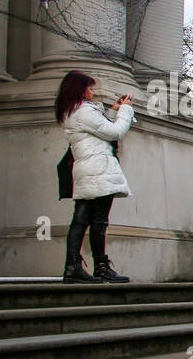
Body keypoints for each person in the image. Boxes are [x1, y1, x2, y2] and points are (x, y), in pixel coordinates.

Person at [56, 70, 135, 283]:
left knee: (81, 220)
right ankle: (101, 266)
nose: (93, 91)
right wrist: (126, 110)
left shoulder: (73, 111)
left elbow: (97, 130)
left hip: (87, 169)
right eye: (90, 87)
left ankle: (72, 266)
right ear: (80, 89)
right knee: (99, 221)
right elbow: (115, 132)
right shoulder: (83, 111)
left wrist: (113, 110)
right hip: (98, 170)